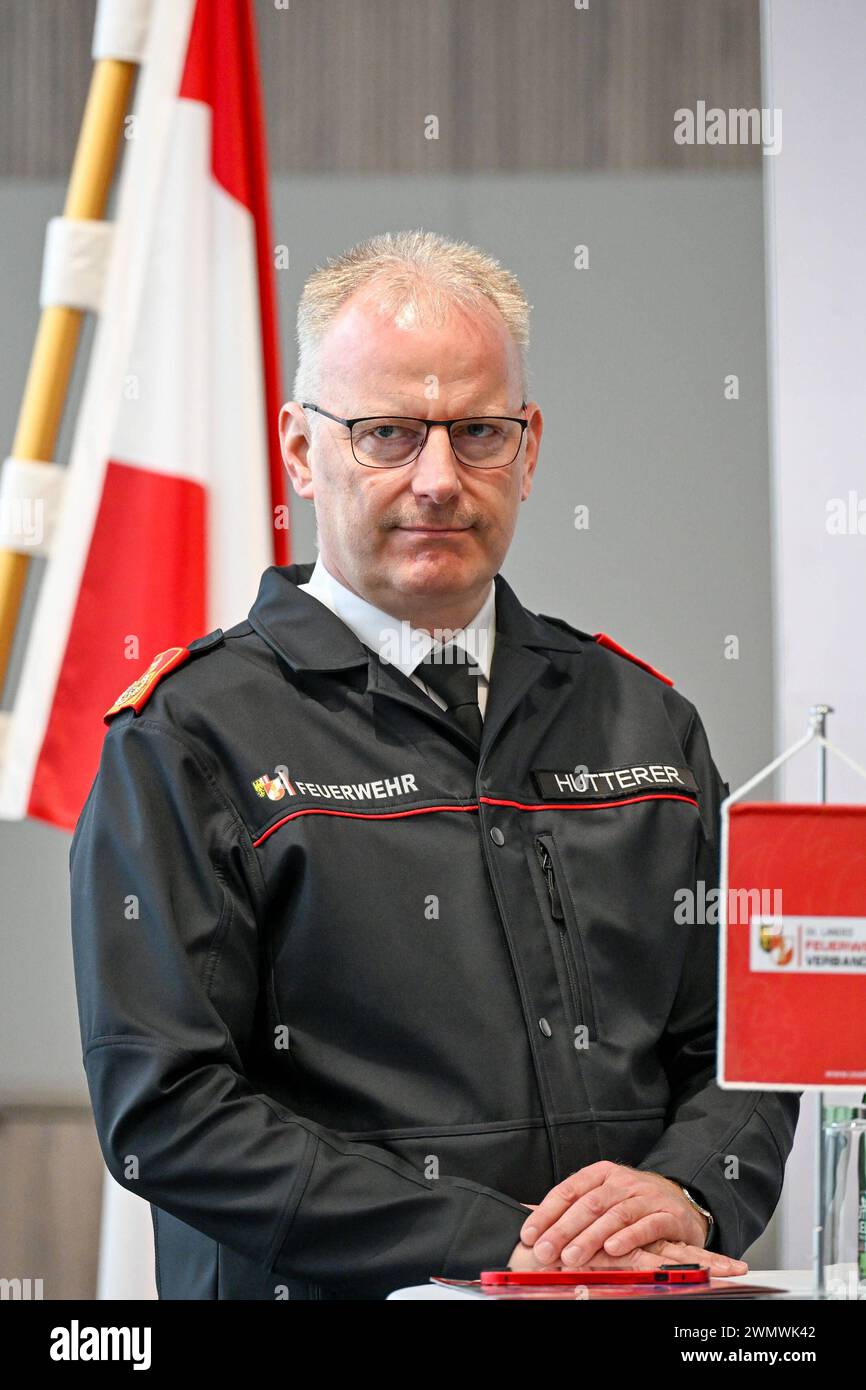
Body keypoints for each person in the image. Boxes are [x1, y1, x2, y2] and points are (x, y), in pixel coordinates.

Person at [70, 230, 800, 1300]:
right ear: (299, 449)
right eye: (387, 434)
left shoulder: (642, 720)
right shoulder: (187, 738)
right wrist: (491, 1244)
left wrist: (686, 1190)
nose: (438, 478)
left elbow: (747, 1038)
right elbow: (166, 1109)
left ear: (530, 444)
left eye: (476, 432)